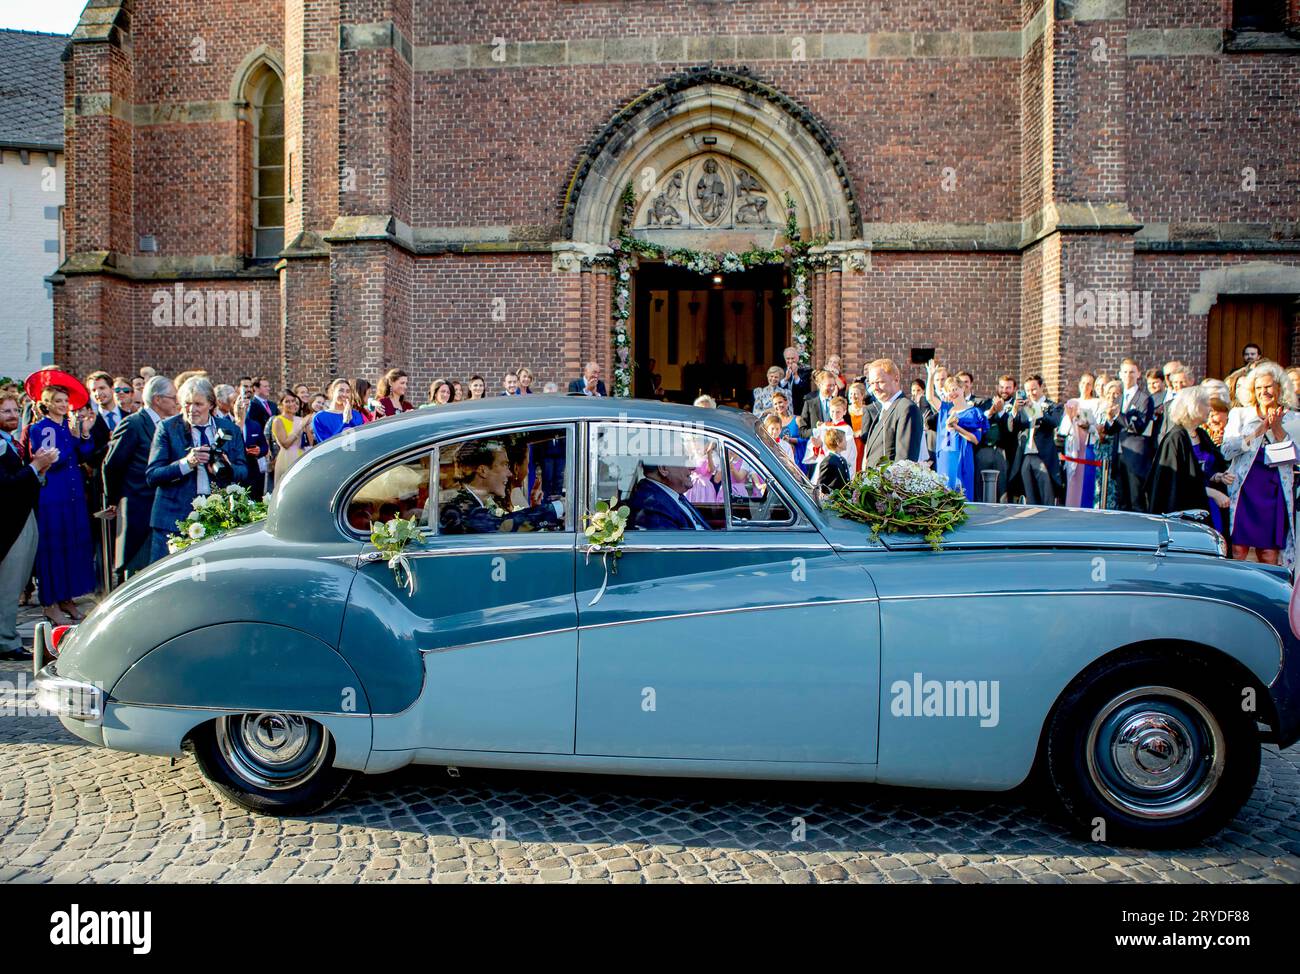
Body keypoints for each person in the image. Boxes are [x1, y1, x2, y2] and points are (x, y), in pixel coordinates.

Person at [146, 376, 247, 562]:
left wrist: (228, 467)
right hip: (174, 517)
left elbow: (244, 471)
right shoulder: (167, 428)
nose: (192, 409)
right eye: (187, 404)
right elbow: (152, 475)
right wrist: (186, 463)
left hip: (217, 515)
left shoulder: (230, 429)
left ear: (210, 403)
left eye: (198, 404)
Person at [24, 383, 98, 624]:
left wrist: (84, 434)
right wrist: (72, 439)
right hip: (53, 496)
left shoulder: (67, 426)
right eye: (58, 401)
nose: (63, 405)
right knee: (53, 548)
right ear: (48, 404)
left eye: (65, 401)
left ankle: (67, 597)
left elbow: (86, 452)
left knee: (72, 545)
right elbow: (52, 459)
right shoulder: (41, 428)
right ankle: (50, 602)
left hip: (73, 495)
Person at [1222, 362, 1300, 566]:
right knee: (1238, 549)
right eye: (1258, 388)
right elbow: (1227, 451)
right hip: (1245, 488)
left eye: (1268, 387)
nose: (1263, 392)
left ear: (1279, 388)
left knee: (1268, 553)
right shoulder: (1240, 415)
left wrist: (1278, 430)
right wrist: (1257, 431)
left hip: (1274, 490)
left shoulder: (1293, 417)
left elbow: (1297, 458)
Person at [0, 390, 58, 659]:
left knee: (18, 576)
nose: (13, 416)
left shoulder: (9, 441)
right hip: (10, 520)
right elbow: (6, 484)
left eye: (14, 410)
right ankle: (6, 640)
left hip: (23, 514)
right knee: (10, 581)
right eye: (6, 412)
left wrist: (39, 470)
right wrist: (35, 466)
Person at [103, 375, 177, 577]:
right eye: (173, 397)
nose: (176, 402)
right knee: (135, 564)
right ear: (158, 399)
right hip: (137, 504)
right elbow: (112, 465)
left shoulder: (170, 426)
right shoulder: (134, 424)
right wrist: (113, 499)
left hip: (161, 506)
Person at [1145, 386, 1231, 531]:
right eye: (1206, 404)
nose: (1210, 409)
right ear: (1194, 406)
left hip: (1209, 507)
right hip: (1187, 513)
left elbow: (1201, 469)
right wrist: (1213, 493)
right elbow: (1177, 482)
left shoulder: (1202, 435)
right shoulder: (1176, 439)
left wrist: (1217, 477)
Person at [437, 440, 564, 534]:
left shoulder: (470, 500)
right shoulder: (462, 507)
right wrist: (559, 507)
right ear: (483, 471)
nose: (509, 473)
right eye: (504, 465)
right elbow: (503, 526)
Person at [929, 372, 988, 500]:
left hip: (961, 454)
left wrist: (957, 428)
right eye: (950, 391)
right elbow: (930, 397)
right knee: (944, 490)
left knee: (961, 490)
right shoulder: (945, 409)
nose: (953, 393)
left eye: (955, 389)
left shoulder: (973, 412)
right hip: (945, 455)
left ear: (963, 389)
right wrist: (931, 375)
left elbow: (975, 439)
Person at [1010, 374, 1063, 506]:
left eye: (1033, 389)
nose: (1030, 393)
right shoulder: (1024, 407)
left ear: (1041, 387)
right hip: (1026, 453)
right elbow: (1014, 427)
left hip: (1043, 454)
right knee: (1029, 492)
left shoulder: (1052, 406)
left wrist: (1035, 409)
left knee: (1046, 491)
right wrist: (1015, 410)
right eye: (1027, 390)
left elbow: (1054, 422)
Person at [859, 358, 923, 467]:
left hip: (890, 482)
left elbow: (905, 461)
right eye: (872, 383)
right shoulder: (882, 410)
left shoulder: (906, 408)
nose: (875, 388)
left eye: (880, 382)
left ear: (896, 379)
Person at [626, 455, 711, 531]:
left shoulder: (670, 494)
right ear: (663, 468)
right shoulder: (653, 507)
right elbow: (680, 546)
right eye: (684, 461)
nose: (693, 467)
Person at [1114, 358, 1155, 510]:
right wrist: (1109, 419)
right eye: (1125, 372)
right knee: (1122, 500)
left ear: (1138, 374)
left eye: (1132, 372)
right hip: (1118, 454)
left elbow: (1138, 427)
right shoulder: (1118, 398)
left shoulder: (1144, 399)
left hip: (1135, 457)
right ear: (1120, 374)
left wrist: (1117, 415)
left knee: (1136, 500)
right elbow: (1112, 429)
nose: (1128, 375)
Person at [1059, 372, 1100, 508]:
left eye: (1089, 384)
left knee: (1087, 478)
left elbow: (1098, 424)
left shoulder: (1096, 402)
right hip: (1074, 445)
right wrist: (1070, 418)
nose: (1085, 387)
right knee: (1073, 479)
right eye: (1083, 383)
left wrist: (1087, 425)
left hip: (1088, 443)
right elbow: (1063, 430)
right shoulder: (1072, 402)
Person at [269, 391, 312, 486]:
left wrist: (307, 427)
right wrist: (300, 426)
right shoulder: (278, 420)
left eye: (293, 401)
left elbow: (310, 443)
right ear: (281, 404)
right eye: (287, 401)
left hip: (302, 456)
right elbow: (285, 444)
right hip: (286, 458)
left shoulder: (300, 420)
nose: (291, 404)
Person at [311, 378, 367, 444]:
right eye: (341, 390)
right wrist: (345, 422)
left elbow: (360, 440)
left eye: (348, 391)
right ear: (332, 392)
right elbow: (326, 445)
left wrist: (351, 421)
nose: (344, 394)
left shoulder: (356, 415)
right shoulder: (320, 418)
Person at [810, 426, 851, 491]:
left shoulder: (842, 459)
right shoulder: (828, 461)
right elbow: (821, 486)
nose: (846, 442)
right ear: (838, 442)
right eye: (844, 439)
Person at [777, 346, 813, 415]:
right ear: (785, 359)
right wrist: (785, 379)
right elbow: (777, 388)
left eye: (792, 358)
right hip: (784, 408)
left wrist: (796, 375)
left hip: (800, 407)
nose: (790, 361)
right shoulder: (781, 372)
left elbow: (805, 389)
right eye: (788, 358)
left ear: (797, 358)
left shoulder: (805, 371)